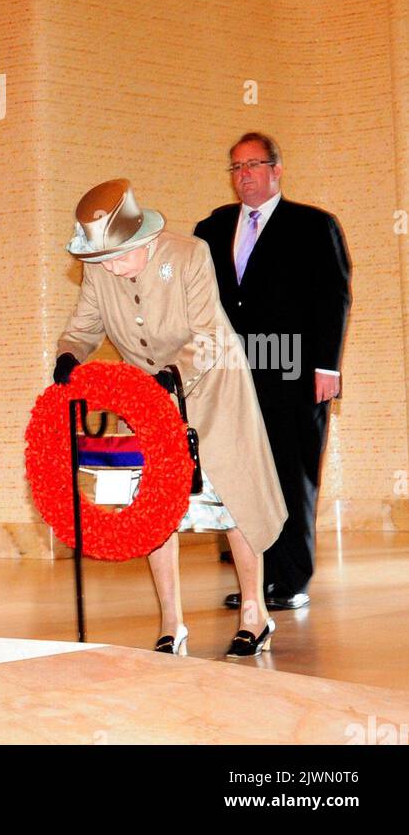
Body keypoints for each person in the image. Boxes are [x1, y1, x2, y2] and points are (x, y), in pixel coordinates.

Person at [55, 179, 287, 658]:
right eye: (101, 261)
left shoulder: (189, 255)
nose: (111, 270)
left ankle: (254, 614)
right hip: (151, 398)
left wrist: (172, 374)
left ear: (144, 240)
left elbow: (207, 333)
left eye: (118, 258)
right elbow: (82, 329)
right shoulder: (102, 271)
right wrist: (67, 356)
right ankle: (171, 622)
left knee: (233, 500)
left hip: (214, 387)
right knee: (157, 509)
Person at [194, 132, 351, 611]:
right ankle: (253, 581)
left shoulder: (313, 225)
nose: (244, 176)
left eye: (254, 165)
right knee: (240, 474)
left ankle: (290, 579)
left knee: (290, 471)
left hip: (295, 372)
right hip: (232, 375)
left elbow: (334, 296)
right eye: (237, 168)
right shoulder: (213, 227)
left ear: (276, 170)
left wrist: (327, 366)